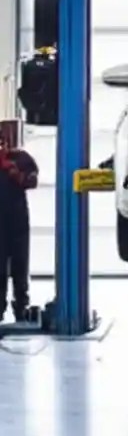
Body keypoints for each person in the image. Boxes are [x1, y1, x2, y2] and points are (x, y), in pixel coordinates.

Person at [0, 135, 38, 322]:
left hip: (18, 221)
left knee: (20, 266)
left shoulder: (21, 158)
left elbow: (33, 180)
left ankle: (21, 307)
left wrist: (19, 175)